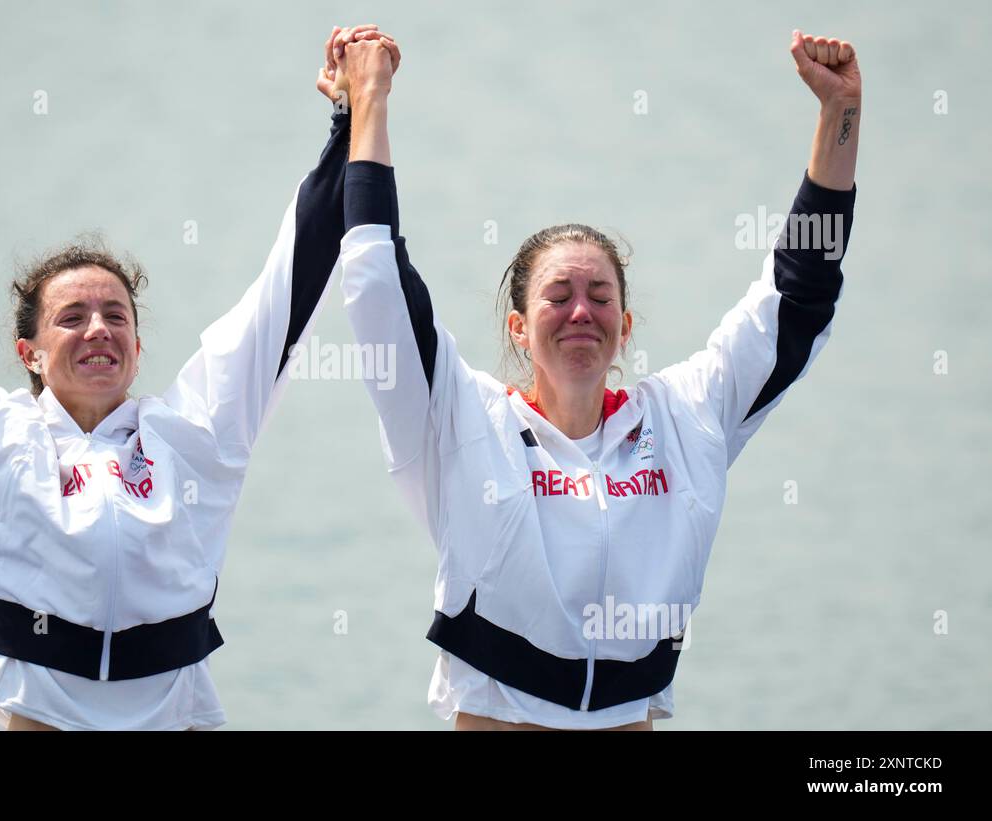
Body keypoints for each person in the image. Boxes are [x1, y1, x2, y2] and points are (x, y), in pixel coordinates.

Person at [0, 25, 393, 730]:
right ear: (29, 353)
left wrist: (349, 120)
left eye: (115, 315)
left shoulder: (195, 432)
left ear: (136, 347)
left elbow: (292, 280)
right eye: (71, 317)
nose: (98, 327)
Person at [336, 29, 860, 729]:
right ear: (519, 328)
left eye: (601, 295)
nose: (580, 310)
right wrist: (368, 102)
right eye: (558, 295)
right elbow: (376, 281)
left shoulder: (684, 419)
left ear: (626, 325)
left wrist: (841, 115)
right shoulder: (459, 421)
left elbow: (796, 301)